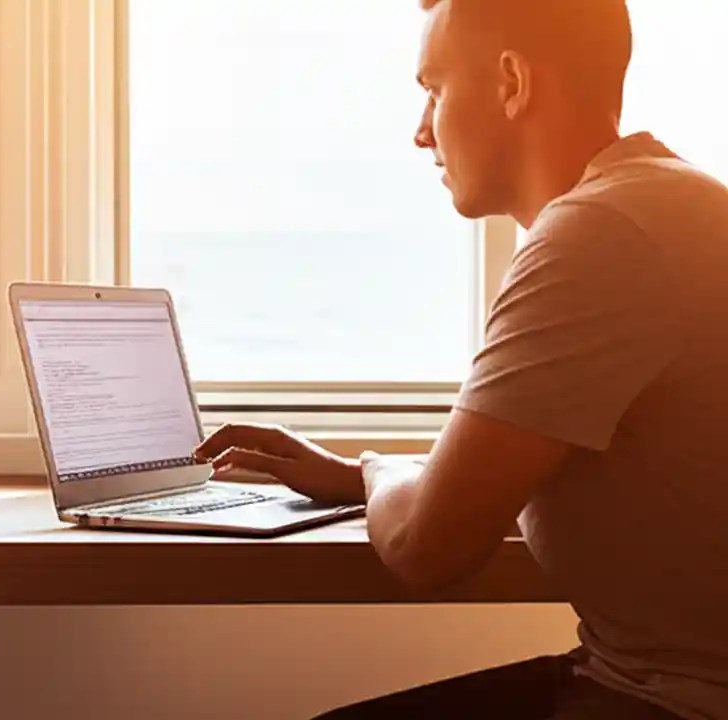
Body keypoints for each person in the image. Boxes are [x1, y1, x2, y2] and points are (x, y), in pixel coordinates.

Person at [193, 1, 728, 718]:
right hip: (639, 676)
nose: (421, 133)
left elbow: (425, 547)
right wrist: (358, 478)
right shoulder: (659, 202)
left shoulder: (599, 235)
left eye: (434, 91)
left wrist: (382, 467)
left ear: (511, 82)